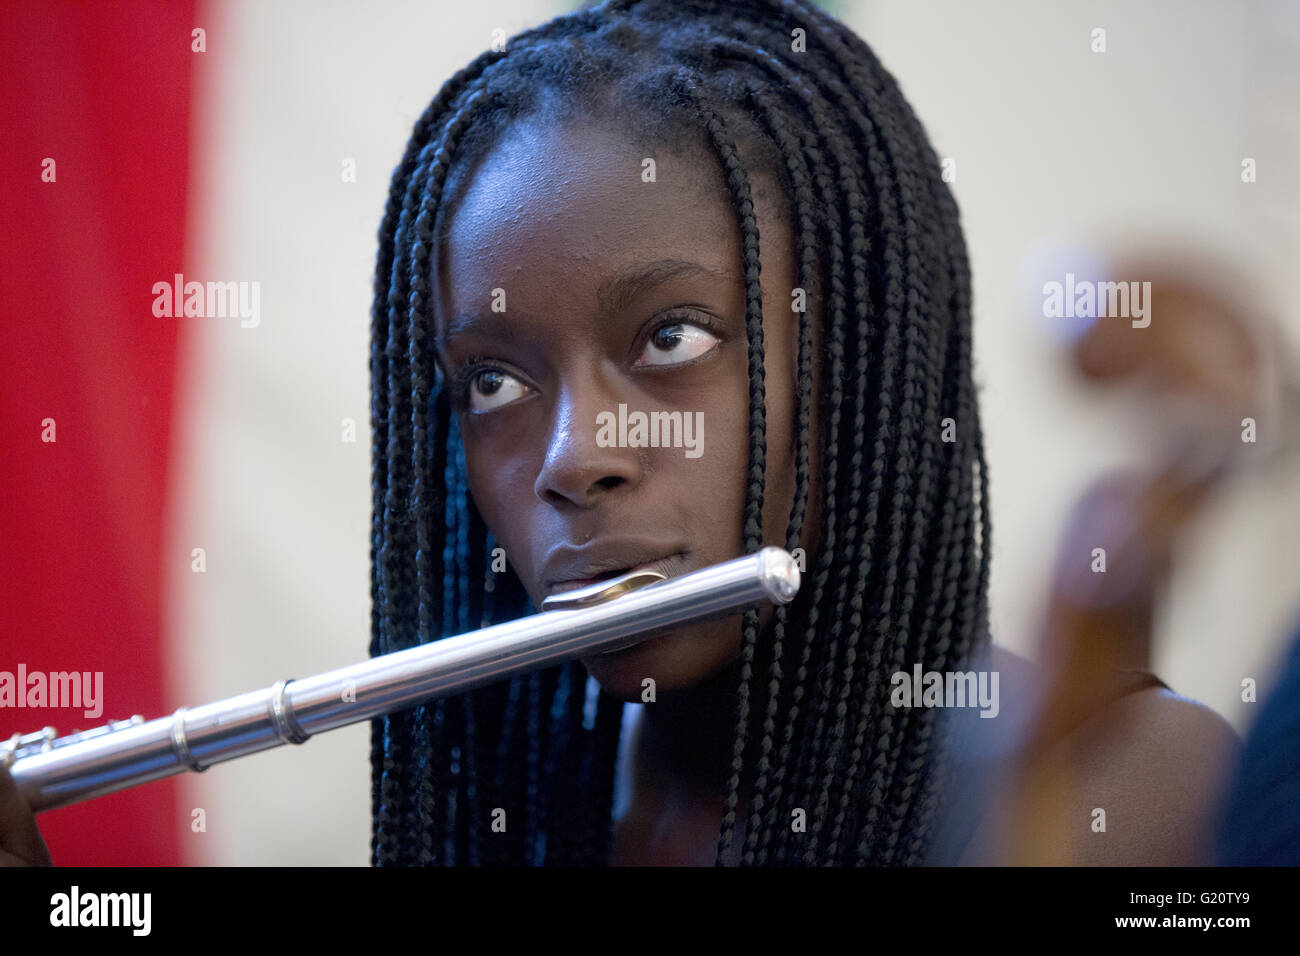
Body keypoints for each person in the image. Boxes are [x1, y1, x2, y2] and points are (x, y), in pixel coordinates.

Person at [0, 0, 1239, 867]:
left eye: (671, 338)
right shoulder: (534, 796)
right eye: (494, 383)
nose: (569, 456)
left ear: (860, 350)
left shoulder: (1127, 781)